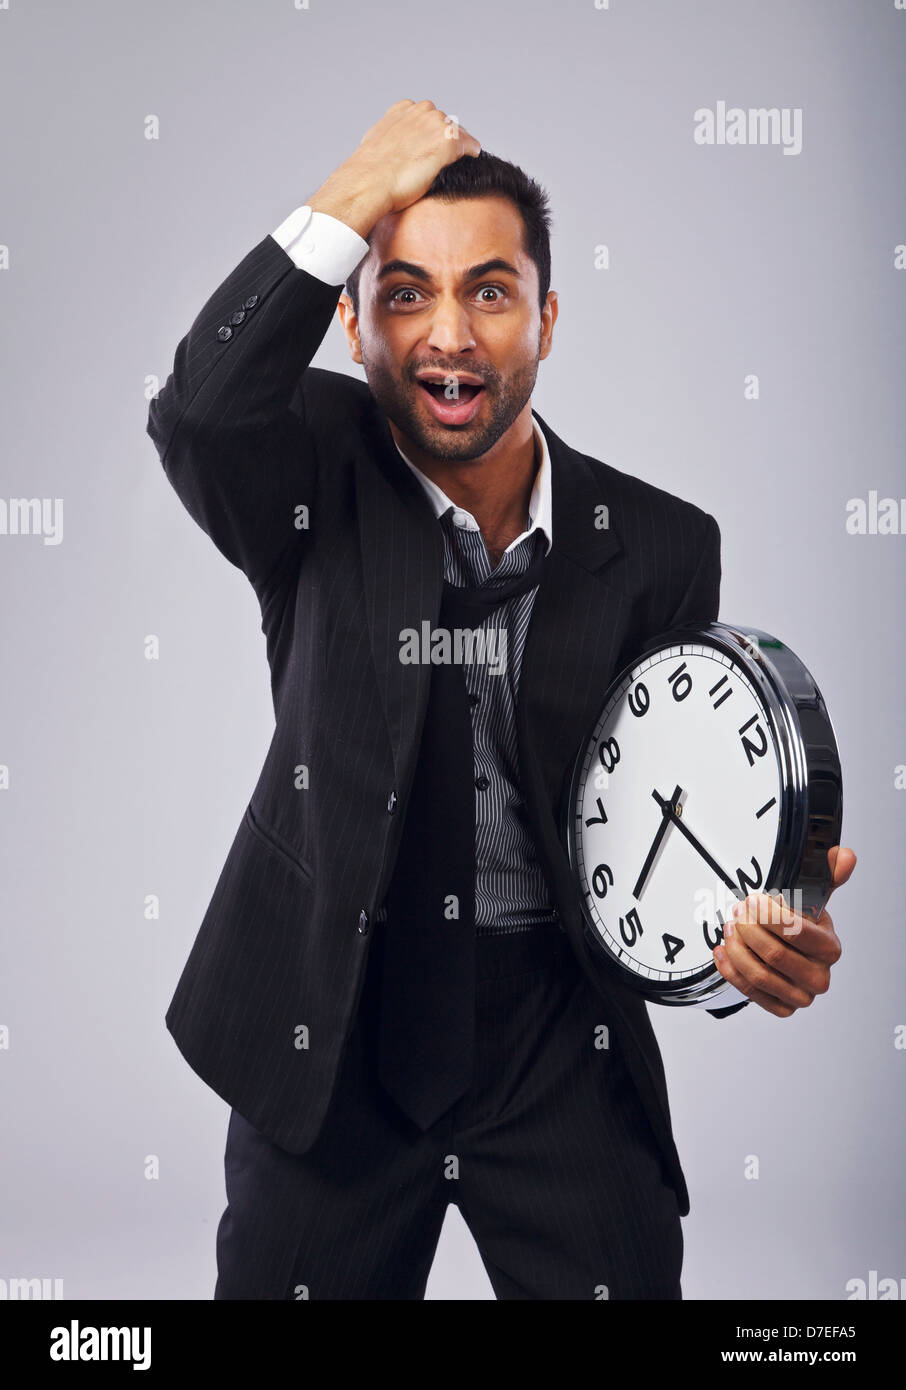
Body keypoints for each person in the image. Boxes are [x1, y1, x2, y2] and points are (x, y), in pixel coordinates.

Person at [146, 99, 855, 1300]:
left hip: (557, 1034)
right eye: (405, 291)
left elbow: (674, 794)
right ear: (353, 320)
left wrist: (749, 934)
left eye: (489, 290)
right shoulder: (308, 468)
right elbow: (200, 409)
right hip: (341, 1020)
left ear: (546, 315)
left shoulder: (665, 545)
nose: (448, 337)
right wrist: (363, 179)